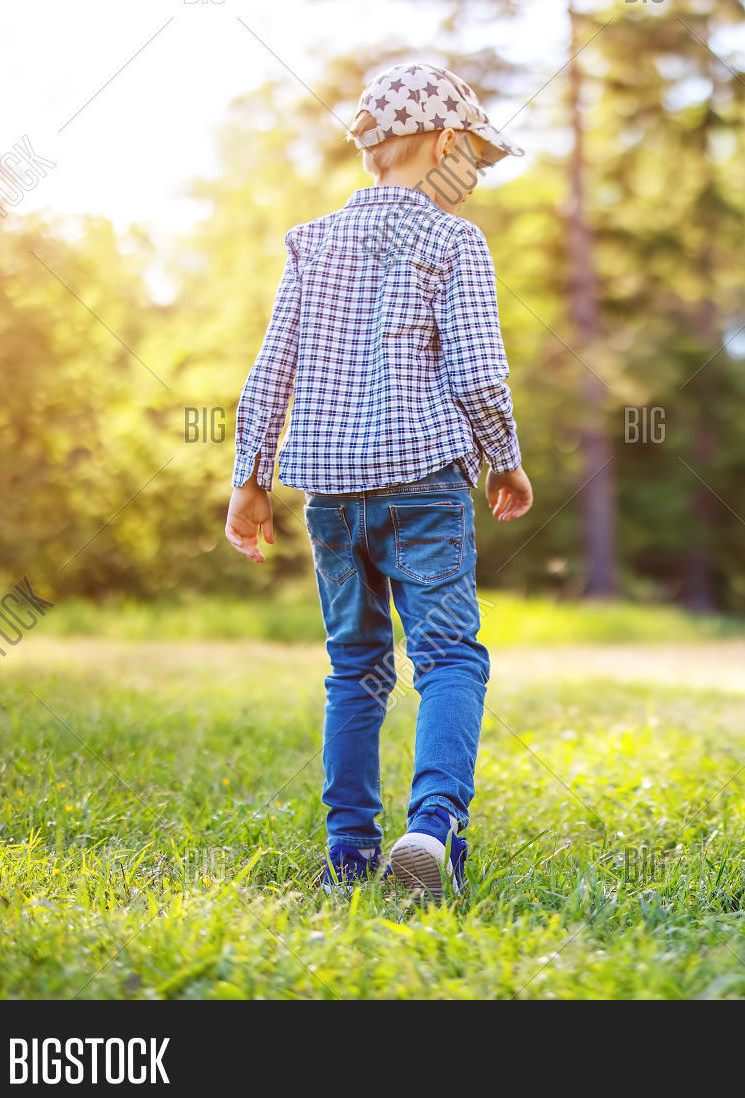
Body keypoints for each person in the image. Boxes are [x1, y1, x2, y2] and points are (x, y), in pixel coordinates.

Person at [223, 63, 534, 900]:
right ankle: (433, 828)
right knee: (448, 657)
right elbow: (478, 374)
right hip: (424, 484)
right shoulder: (454, 242)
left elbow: (272, 368)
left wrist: (250, 477)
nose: (476, 175)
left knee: (355, 667)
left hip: (330, 497)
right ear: (444, 143)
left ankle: (350, 852)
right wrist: (505, 457)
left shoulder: (312, 242)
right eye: (475, 158)